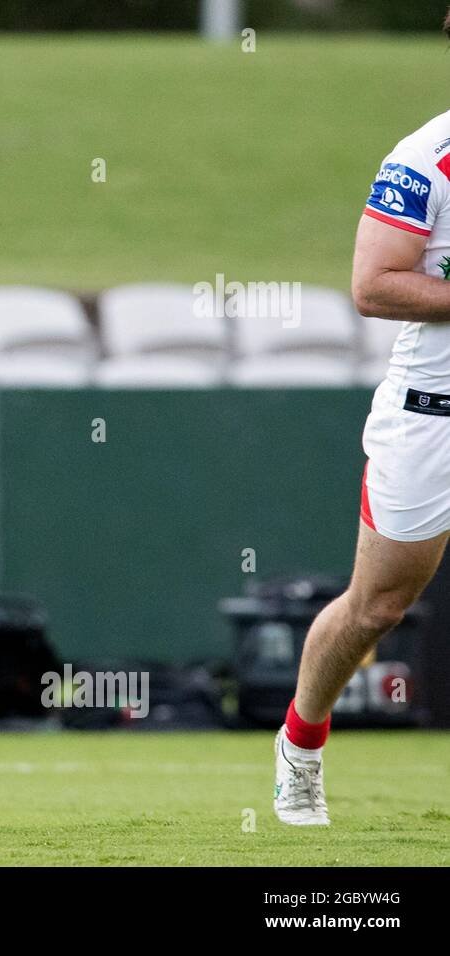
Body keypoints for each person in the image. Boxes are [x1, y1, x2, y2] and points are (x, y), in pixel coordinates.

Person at [275, 64, 450, 825]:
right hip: (432, 413)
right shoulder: (424, 158)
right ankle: (301, 743)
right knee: (377, 606)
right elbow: (374, 285)